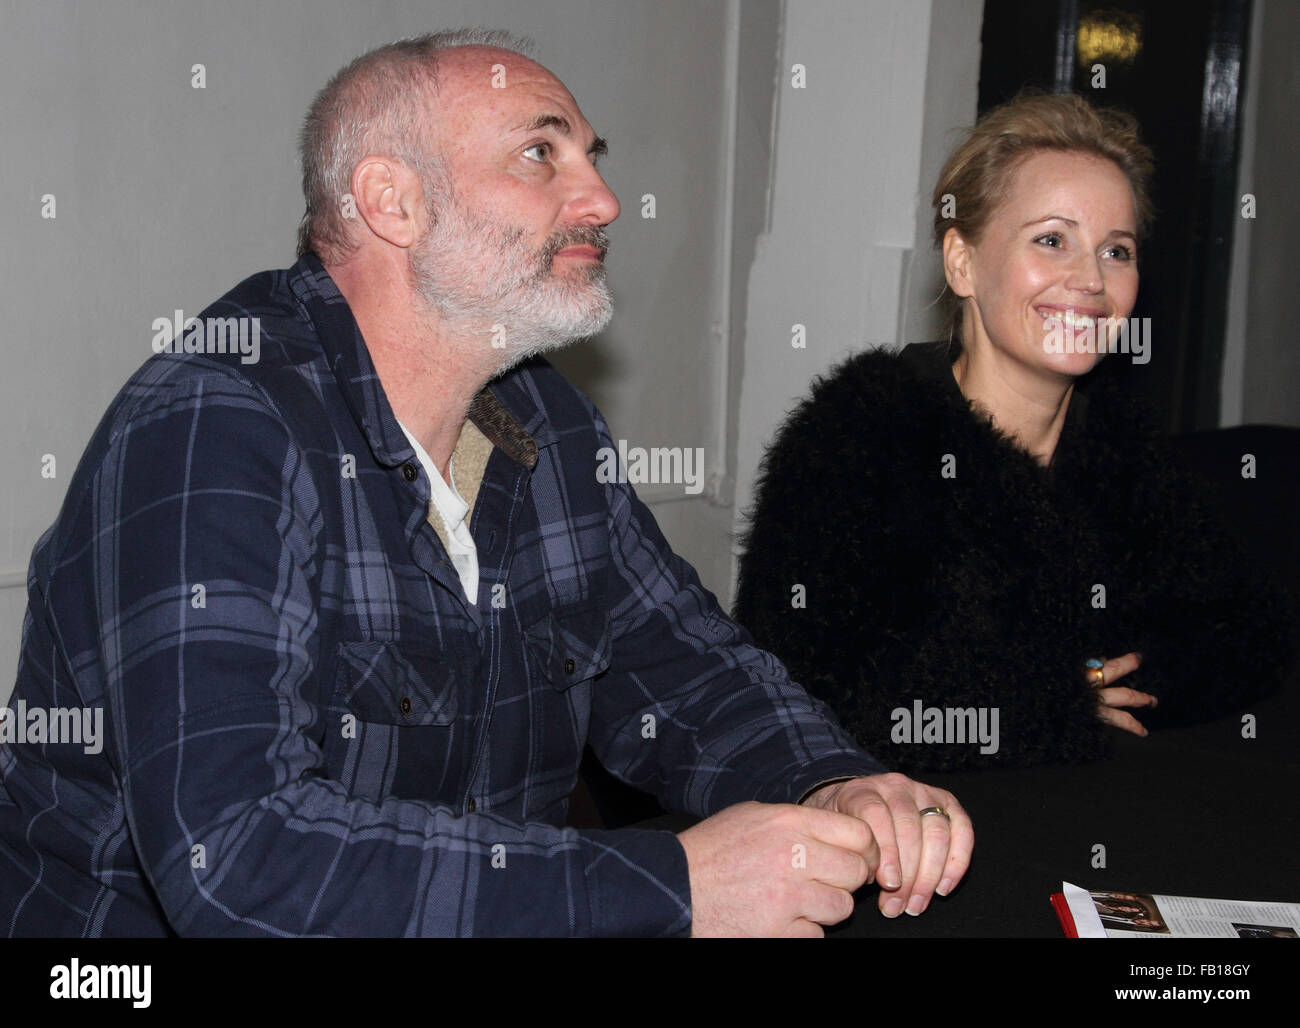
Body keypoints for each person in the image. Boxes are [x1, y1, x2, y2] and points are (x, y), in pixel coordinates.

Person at [0, 30, 971, 937]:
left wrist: (833, 779)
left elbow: (684, 668)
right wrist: (673, 886)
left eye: (595, 156)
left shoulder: (544, 422)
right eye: (542, 155)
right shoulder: (215, 428)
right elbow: (238, 860)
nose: (602, 199)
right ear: (395, 202)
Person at [733, 93, 1292, 773]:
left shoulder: (1119, 444)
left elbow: (1245, 635)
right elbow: (802, 694)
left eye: (1116, 250)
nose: (1090, 280)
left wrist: (1111, 681)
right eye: (1051, 240)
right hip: (920, 842)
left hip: (1104, 821)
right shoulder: (857, 440)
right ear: (962, 263)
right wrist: (1049, 701)